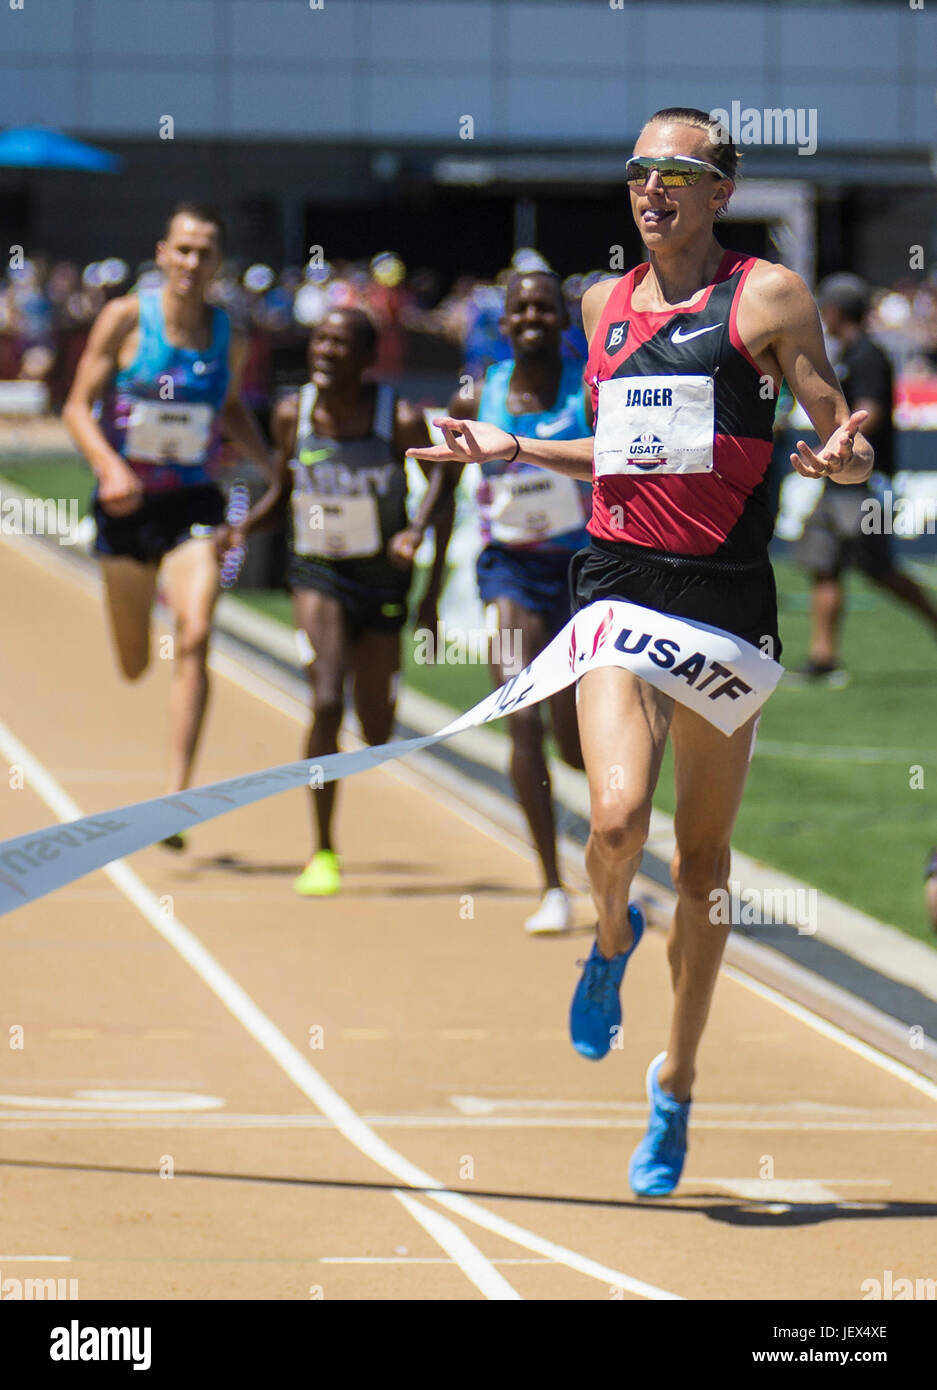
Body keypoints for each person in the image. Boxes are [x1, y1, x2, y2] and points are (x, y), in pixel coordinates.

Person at [407, 106, 874, 1197]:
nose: (652, 188)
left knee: (704, 865)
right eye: (636, 172)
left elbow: (830, 425)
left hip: (723, 598)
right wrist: (515, 443)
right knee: (615, 817)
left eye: (677, 172)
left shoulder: (765, 294)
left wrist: (841, 460)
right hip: (614, 584)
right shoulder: (597, 302)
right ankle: (610, 935)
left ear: (722, 187)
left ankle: (676, 1078)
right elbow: (618, 454)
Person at [63, 203, 275, 840]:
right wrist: (108, 466)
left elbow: (228, 405)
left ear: (218, 263)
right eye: (182, 249)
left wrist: (269, 463)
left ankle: (175, 798)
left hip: (192, 504)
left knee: (196, 632)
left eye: (204, 252)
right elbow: (76, 406)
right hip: (126, 506)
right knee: (134, 663)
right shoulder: (125, 319)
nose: (191, 262)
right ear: (161, 254)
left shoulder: (227, 336)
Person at [240, 308, 449, 897]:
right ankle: (323, 849)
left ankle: (379, 689)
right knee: (327, 701)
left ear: (366, 358)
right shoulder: (292, 413)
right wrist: (240, 530)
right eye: (320, 342)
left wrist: (419, 545)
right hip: (317, 572)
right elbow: (283, 488)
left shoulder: (400, 418)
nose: (326, 352)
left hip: (383, 581)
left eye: (341, 344)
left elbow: (443, 481)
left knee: (377, 731)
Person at [441, 269, 591, 933]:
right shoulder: (479, 391)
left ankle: (610, 858)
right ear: (501, 324)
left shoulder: (590, 388)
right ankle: (552, 885)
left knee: (576, 747)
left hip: (583, 575)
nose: (530, 317)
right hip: (507, 572)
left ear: (562, 320)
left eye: (543, 307)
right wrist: (419, 549)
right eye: (518, 308)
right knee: (518, 714)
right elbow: (444, 485)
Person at [796, 273, 937, 680]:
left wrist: (839, 441)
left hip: (863, 484)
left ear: (836, 311)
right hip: (837, 482)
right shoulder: (846, 353)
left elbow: (868, 413)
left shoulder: (867, 355)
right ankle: (823, 658)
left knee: (878, 570)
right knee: (824, 564)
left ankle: (933, 620)